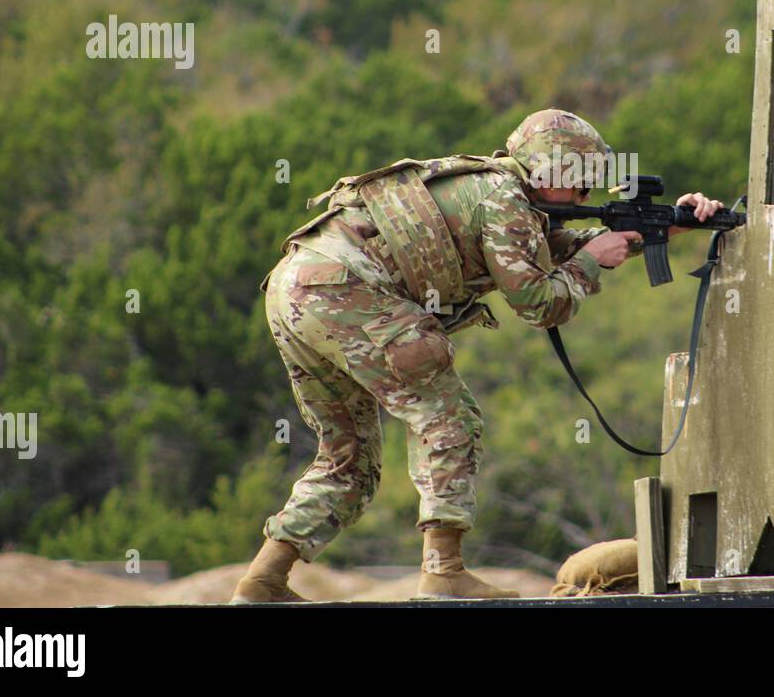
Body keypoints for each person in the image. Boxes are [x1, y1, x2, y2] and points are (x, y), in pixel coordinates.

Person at [231, 108, 723, 602]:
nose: (585, 198)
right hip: (345, 291)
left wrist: (660, 229)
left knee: (350, 458)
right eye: (578, 185)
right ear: (548, 172)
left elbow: (553, 249)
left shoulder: (500, 191)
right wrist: (592, 263)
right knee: (448, 418)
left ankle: (264, 581)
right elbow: (540, 303)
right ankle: (443, 571)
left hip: (296, 292)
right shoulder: (504, 200)